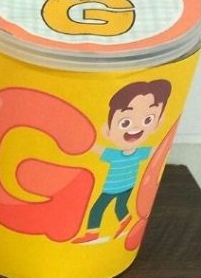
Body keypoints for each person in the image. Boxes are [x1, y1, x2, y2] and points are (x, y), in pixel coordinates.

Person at [73, 80, 171, 245]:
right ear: (108, 130)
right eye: (125, 122)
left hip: (113, 188)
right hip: (128, 185)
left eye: (148, 119)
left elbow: (95, 148)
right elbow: (158, 150)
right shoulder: (140, 152)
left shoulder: (116, 154)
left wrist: (85, 141)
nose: (135, 128)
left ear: (157, 124)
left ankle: (92, 232)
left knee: (97, 209)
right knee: (120, 207)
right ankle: (125, 220)